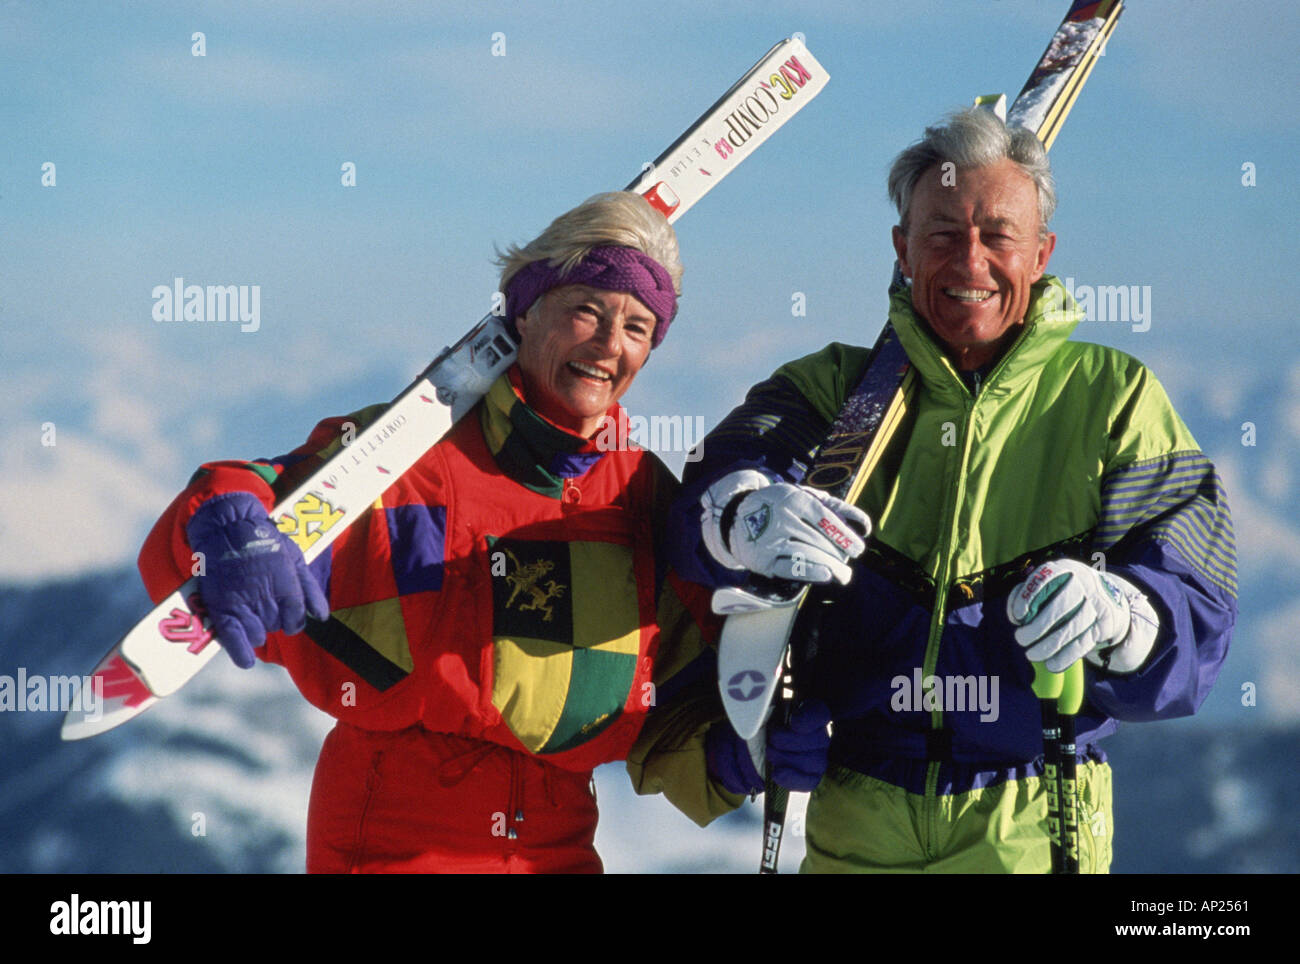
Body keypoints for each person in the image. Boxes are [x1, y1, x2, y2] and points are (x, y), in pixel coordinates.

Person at [662, 108, 1238, 873]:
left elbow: (1200, 611)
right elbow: (707, 492)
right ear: (903, 251)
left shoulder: (1115, 399)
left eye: (998, 234)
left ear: (1041, 254)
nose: (970, 261)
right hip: (855, 803)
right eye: (941, 234)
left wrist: (1124, 618)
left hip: (1035, 813)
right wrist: (743, 515)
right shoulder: (833, 392)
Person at [138, 191, 771, 873]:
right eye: (586, 309)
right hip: (391, 844)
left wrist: (741, 747)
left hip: (558, 849)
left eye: (639, 327)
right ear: (526, 312)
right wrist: (226, 533)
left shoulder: (641, 501)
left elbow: (679, 694)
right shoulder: (413, 454)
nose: (609, 345)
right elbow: (256, 497)